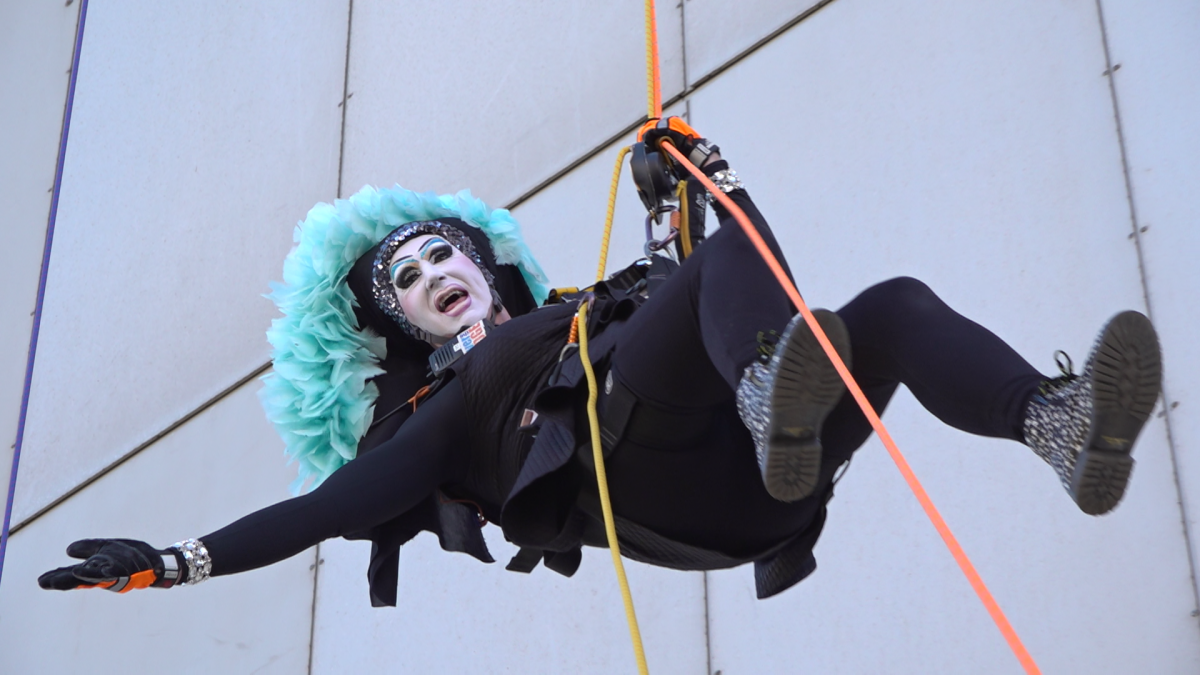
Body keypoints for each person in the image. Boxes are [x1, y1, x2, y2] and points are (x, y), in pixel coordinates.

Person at [38, 120, 1162, 603]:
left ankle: (1058, 422)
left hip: (755, 477)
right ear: (403, 330)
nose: (432, 270)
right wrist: (175, 562)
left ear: (481, 259)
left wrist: (696, 173)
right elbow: (332, 509)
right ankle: (773, 392)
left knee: (895, 309)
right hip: (666, 478)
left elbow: (741, 257)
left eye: (443, 249)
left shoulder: (586, 305)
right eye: (405, 282)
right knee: (708, 271)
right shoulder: (440, 412)